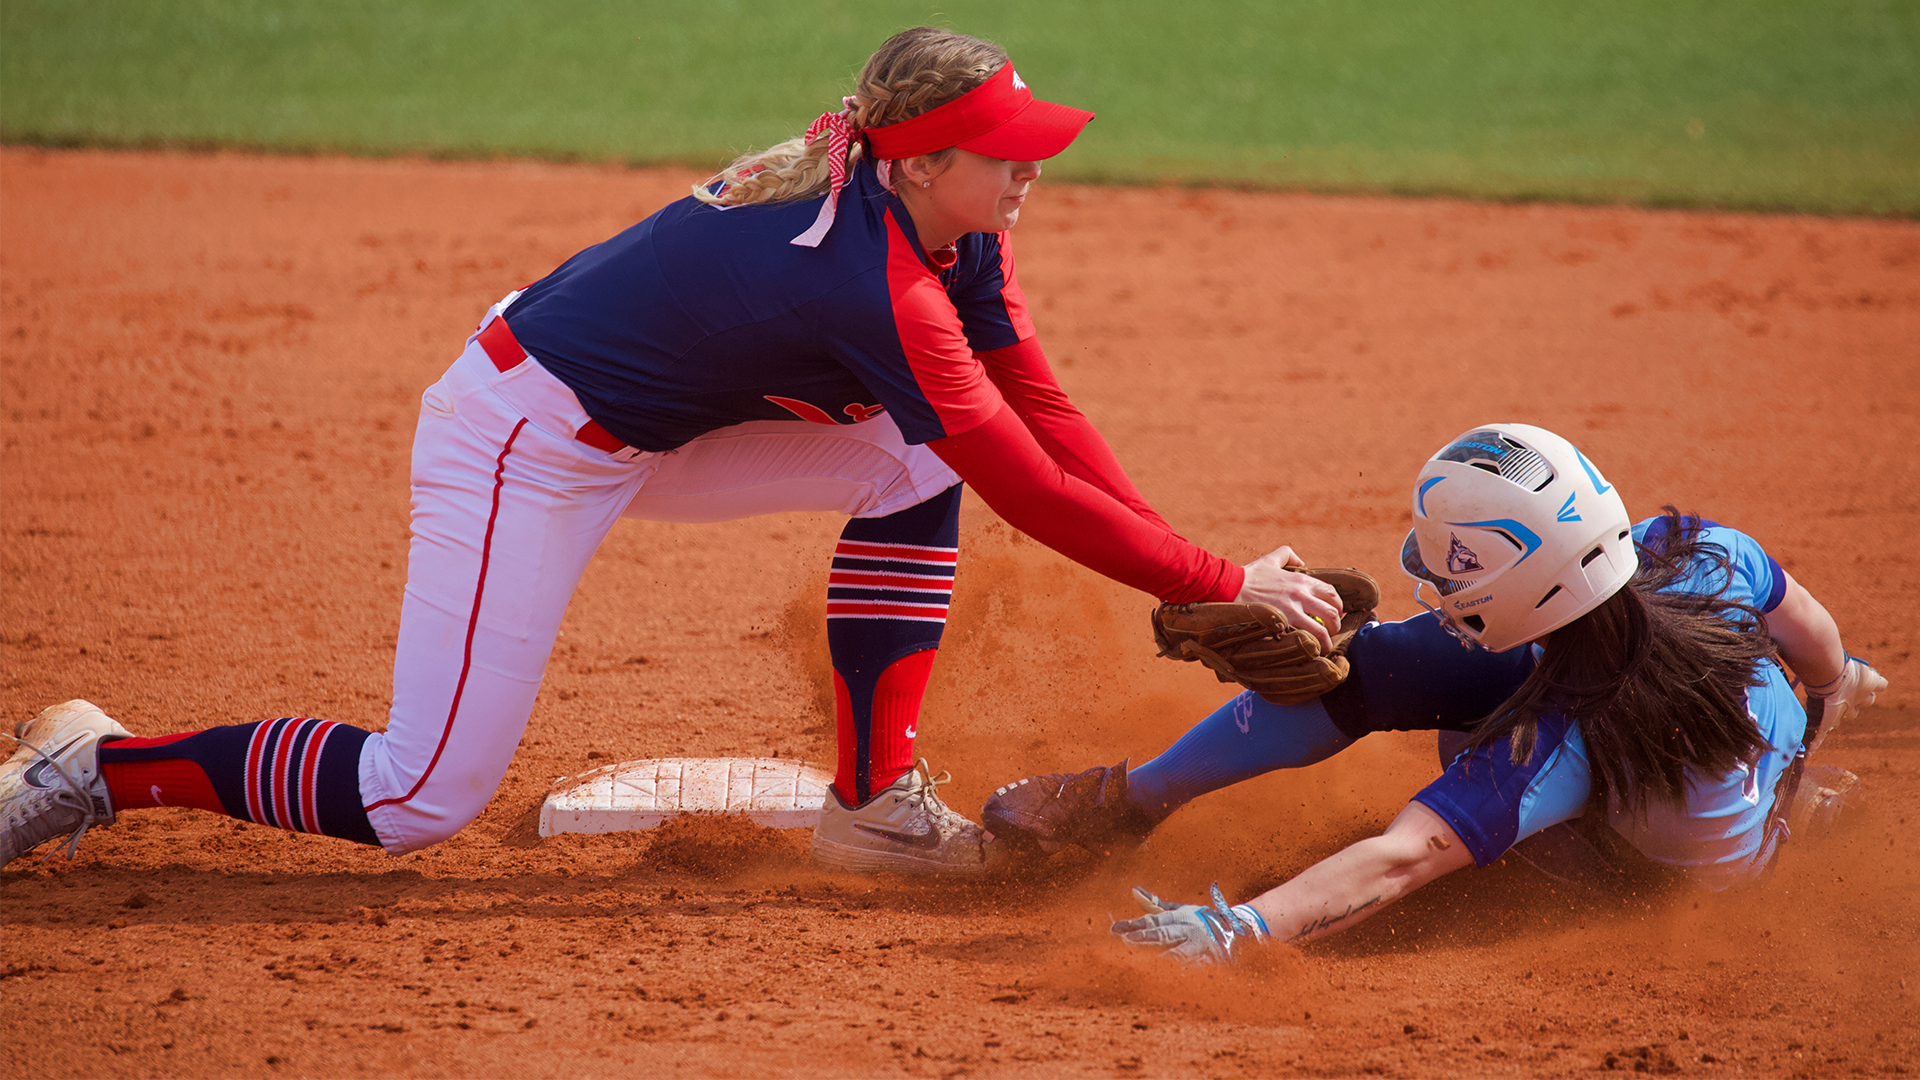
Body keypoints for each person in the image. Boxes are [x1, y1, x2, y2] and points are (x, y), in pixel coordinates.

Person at [1, 28, 1344, 876]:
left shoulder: (940, 218)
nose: (1028, 178)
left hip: (653, 426)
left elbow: (1039, 405)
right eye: (1004, 159)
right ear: (926, 161)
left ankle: (875, 803)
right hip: (519, 439)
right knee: (418, 794)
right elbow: (1021, 478)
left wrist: (1195, 575)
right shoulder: (871, 286)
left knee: (908, 461)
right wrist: (1218, 577)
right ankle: (94, 770)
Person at [988, 424, 1886, 961]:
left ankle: (1789, 822)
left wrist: (1243, 930)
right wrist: (1828, 697)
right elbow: (1815, 638)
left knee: (1468, 756)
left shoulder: (1555, 748)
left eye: (1453, 577)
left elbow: (1403, 856)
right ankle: (1130, 798)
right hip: (1683, 724)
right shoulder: (1698, 549)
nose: (1427, 574)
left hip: (1652, 871)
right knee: (1382, 666)